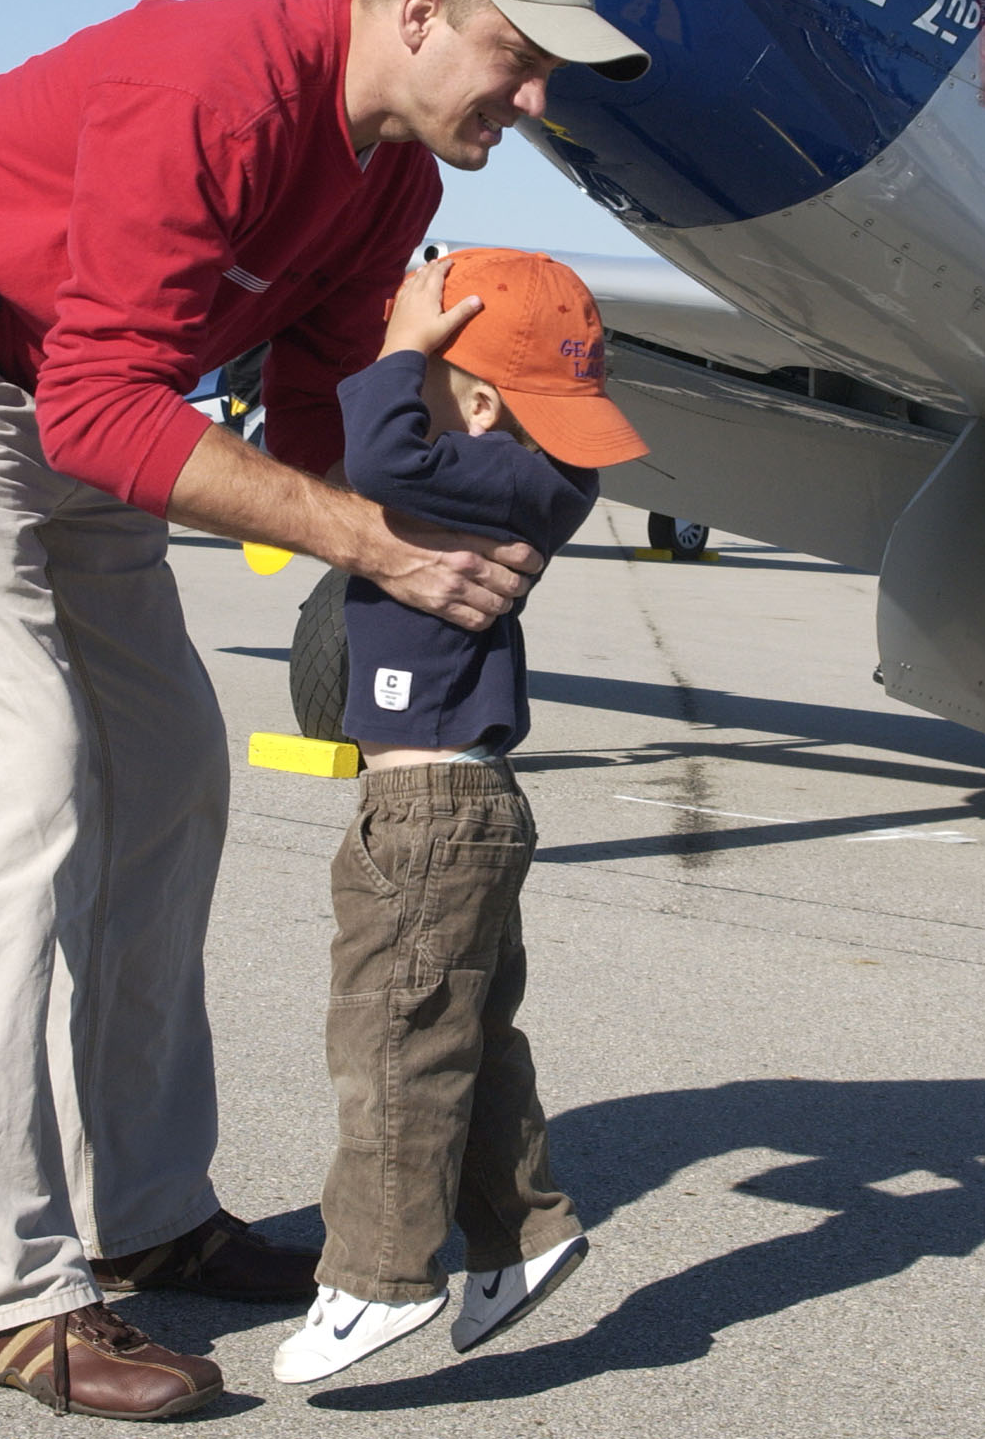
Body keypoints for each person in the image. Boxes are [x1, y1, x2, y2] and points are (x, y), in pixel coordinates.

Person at [0, 0, 648, 1420]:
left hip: (78, 411)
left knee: (175, 778)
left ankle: (145, 1211)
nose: (534, 104)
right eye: (517, 60)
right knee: (14, 802)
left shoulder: (389, 187)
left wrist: (461, 532)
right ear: (414, 13)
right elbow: (104, 407)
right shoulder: (208, 89)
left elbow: (328, 427)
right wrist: (375, 546)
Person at [271, 248, 647, 1387]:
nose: (403, 391)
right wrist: (413, 355)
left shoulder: (475, 473)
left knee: (390, 1039)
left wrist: (398, 348)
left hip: (428, 812)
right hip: (461, 805)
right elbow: (386, 454)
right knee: (465, 1037)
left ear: (479, 402)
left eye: (426, 375)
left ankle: (376, 1279)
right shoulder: (526, 478)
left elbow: (375, 451)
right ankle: (521, 1235)